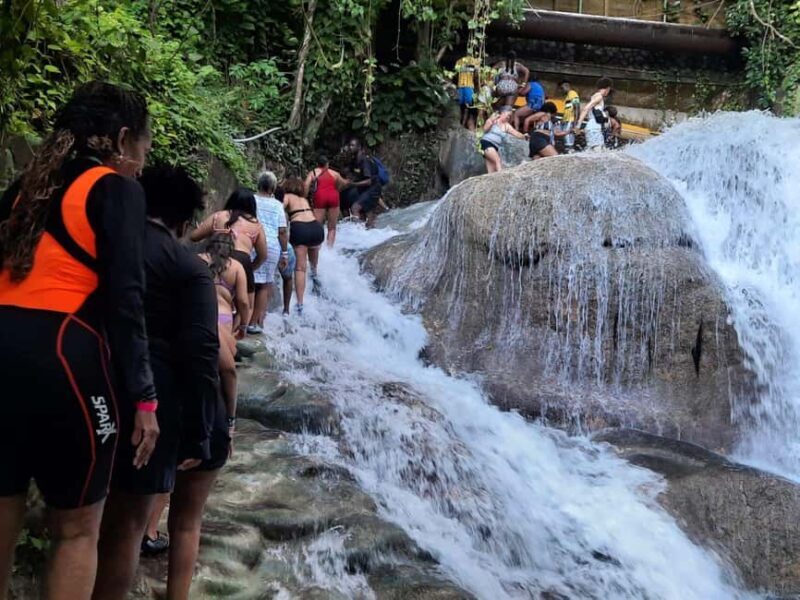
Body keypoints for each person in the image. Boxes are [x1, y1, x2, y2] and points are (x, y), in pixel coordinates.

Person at [0, 81, 159, 600]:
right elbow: (126, 300)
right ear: (121, 139)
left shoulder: (25, 187)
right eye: (143, 148)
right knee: (75, 530)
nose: (142, 163)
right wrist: (144, 398)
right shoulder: (116, 189)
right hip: (65, 355)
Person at [92, 166, 219, 599]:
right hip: (152, 401)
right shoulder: (188, 268)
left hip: (87, 378)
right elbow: (202, 354)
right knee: (127, 527)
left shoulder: (102, 244)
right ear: (184, 223)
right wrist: (200, 432)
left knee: (78, 522)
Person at [191, 188, 266, 321]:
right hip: (243, 260)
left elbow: (194, 236)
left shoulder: (219, 216)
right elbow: (263, 255)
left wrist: (209, 232)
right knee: (246, 306)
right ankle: (238, 329)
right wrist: (250, 268)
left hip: (215, 257)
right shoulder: (256, 224)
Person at [250, 172, 289, 334]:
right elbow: (282, 231)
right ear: (273, 187)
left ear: (258, 184)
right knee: (264, 285)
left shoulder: (251, 199)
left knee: (248, 281)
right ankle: (255, 323)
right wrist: (285, 253)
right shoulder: (278, 205)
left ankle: (242, 320)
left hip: (252, 242)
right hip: (272, 246)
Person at [282, 177, 324, 314]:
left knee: (300, 268)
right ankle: (317, 285)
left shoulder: (287, 197)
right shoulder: (304, 199)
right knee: (313, 266)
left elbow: (279, 209)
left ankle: (300, 304)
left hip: (301, 229)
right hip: (316, 229)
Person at [305, 155, 347, 248]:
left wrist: (304, 197)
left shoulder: (313, 173)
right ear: (327, 164)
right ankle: (329, 249)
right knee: (332, 228)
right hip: (333, 196)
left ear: (317, 164)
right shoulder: (334, 173)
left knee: (317, 227)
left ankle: (318, 249)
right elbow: (344, 183)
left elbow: (306, 185)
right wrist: (338, 189)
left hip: (320, 197)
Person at [341, 139, 384, 226]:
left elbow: (368, 181)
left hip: (372, 188)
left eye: (352, 145)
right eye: (349, 145)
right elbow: (349, 173)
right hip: (362, 188)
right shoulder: (354, 160)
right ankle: (355, 225)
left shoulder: (365, 161)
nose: (350, 147)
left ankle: (358, 231)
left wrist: (353, 184)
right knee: (343, 198)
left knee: (355, 208)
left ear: (359, 147)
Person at [480, 108, 527, 173]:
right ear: (502, 113)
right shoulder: (493, 120)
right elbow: (484, 130)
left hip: (495, 147)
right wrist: (491, 121)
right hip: (486, 143)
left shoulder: (507, 125)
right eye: (508, 115)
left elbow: (516, 133)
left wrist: (524, 136)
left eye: (510, 116)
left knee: (492, 169)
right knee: (498, 160)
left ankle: (492, 178)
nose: (508, 117)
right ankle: (501, 177)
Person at [577, 76, 614, 150]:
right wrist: (578, 126)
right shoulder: (599, 97)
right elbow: (586, 109)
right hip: (594, 130)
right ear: (608, 88)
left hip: (594, 129)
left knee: (597, 153)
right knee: (597, 154)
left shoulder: (596, 96)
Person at [454, 53, 481, 129]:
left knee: (461, 107)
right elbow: (476, 77)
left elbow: (456, 75)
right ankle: (463, 125)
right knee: (468, 107)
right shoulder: (475, 62)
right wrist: (478, 90)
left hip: (460, 87)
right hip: (469, 87)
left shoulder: (459, 61)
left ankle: (460, 124)